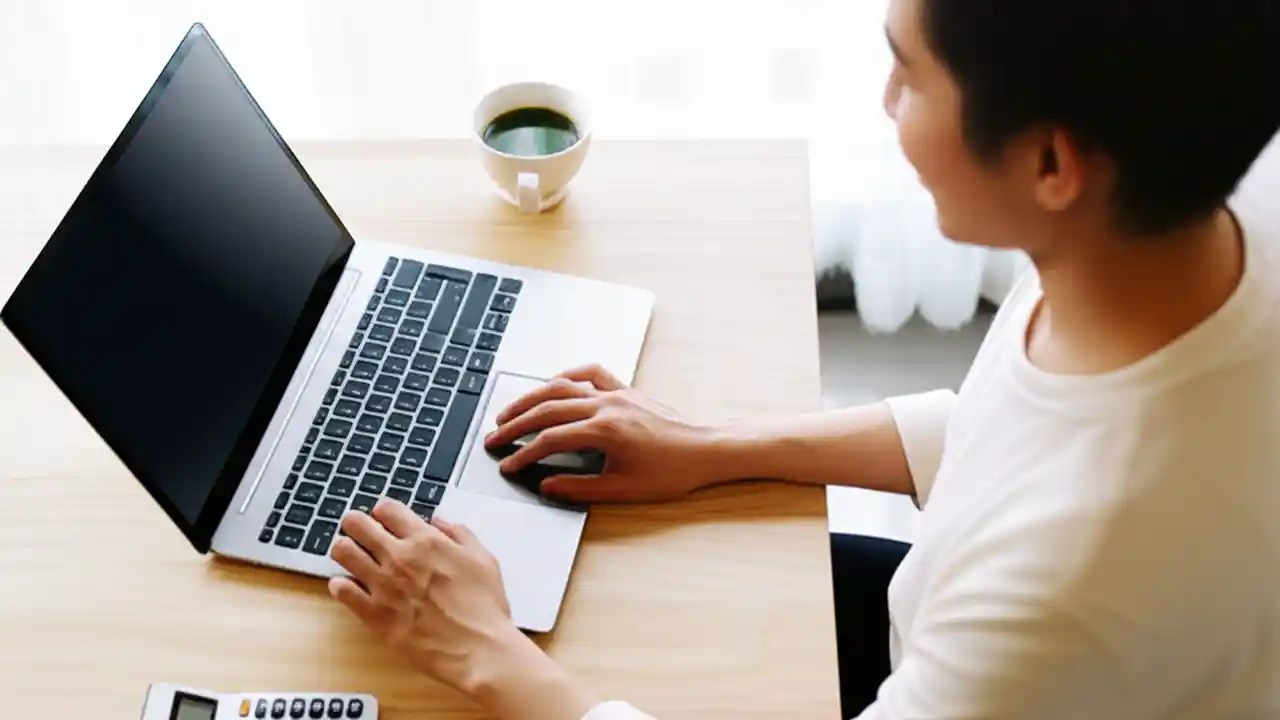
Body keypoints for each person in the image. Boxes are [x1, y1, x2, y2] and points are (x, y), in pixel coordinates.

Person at [325, 0, 1280, 717]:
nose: (885, 101)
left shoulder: (1068, 595)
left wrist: (487, 651)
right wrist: (716, 445)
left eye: (908, 75)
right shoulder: (1174, 237)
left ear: (1051, 166)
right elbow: (1025, 420)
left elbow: (1060, 526)